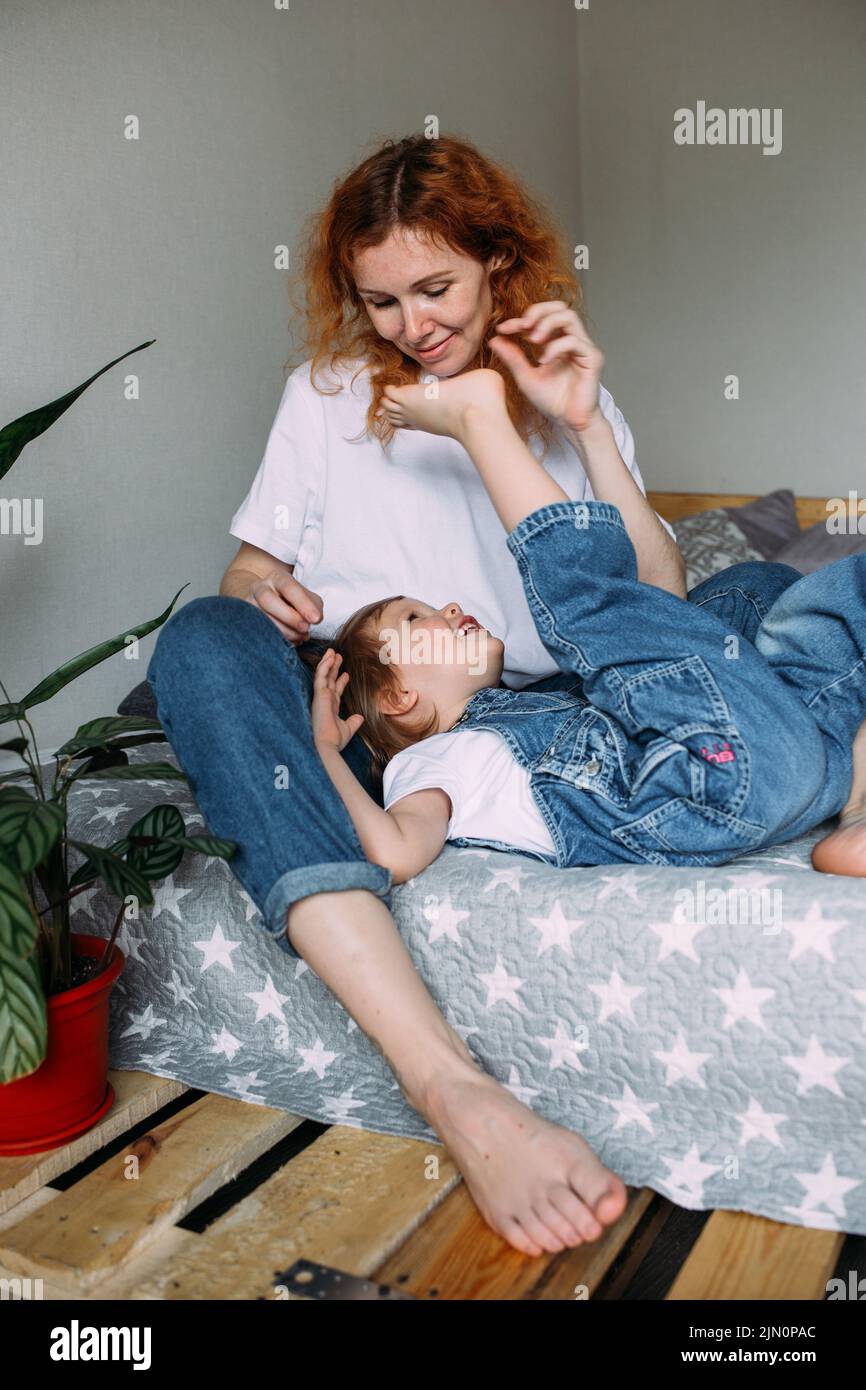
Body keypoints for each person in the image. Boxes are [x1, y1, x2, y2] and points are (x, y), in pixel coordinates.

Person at [147, 133, 788, 1258]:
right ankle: (455, 1091)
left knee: (759, 588)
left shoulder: (557, 396)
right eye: (379, 299)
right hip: (366, 709)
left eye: (434, 287)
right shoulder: (327, 394)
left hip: (547, 702)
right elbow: (252, 566)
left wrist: (584, 425)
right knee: (203, 636)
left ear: (498, 261)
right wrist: (261, 587)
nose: (411, 324)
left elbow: (658, 607)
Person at [309, 367, 866, 885]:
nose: (449, 608)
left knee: (755, 589)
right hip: (709, 784)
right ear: (398, 695)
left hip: (801, 764)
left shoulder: (539, 699)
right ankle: (479, 424)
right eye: (416, 618)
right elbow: (395, 851)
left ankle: (859, 812)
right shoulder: (430, 763)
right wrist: (327, 756)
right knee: (596, 614)